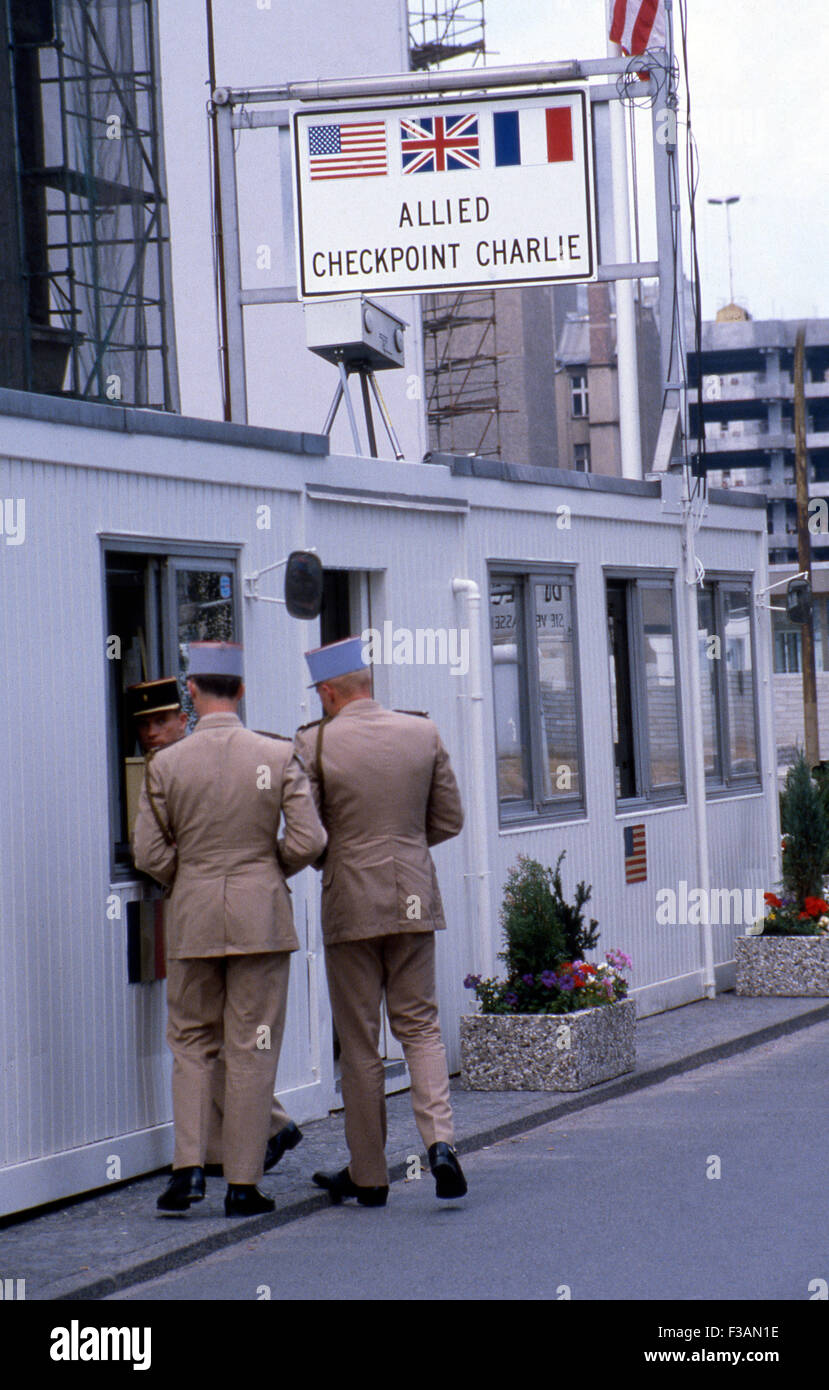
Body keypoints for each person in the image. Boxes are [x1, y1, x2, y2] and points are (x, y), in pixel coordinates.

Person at [133, 642, 326, 1217]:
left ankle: (188, 1170)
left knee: (191, 1043)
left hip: (192, 917)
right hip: (261, 919)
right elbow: (310, 840)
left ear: (191, 694)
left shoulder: (166, 764)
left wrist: (189, 875)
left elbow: (147, 850)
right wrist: (269, 872)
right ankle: (242, 1184)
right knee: (252, 1047)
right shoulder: (275, 753)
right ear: (240, 691)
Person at [294, 635, 467, 1206]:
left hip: (350, 901)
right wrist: (409, 849)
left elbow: (310, 834)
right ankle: (440, 1143)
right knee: (419, 1025)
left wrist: (337, 859)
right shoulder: (423, 731)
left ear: (327, 690)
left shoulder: (314, 744)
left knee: (361, 1040)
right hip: (413, 893)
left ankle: (368, 1174)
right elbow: (450, 819)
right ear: (368, 683)